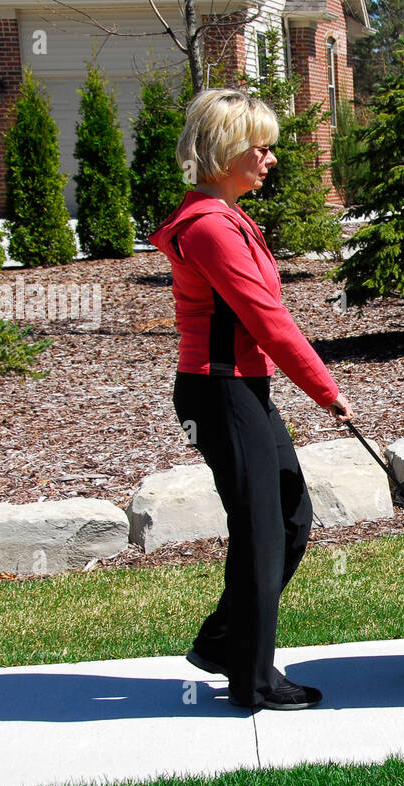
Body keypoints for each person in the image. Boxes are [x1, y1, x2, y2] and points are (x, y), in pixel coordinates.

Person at [148, 88, 353, 711]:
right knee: (262, 531)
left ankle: (222, 642)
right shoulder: (210, 226)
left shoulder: (229, 216)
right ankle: (254, 680)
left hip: (243, 387)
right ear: (226, 151)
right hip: (220, 391)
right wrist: (326, 390)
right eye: (260, 148)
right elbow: (267, 319)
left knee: (290, 516)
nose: (269, 159)